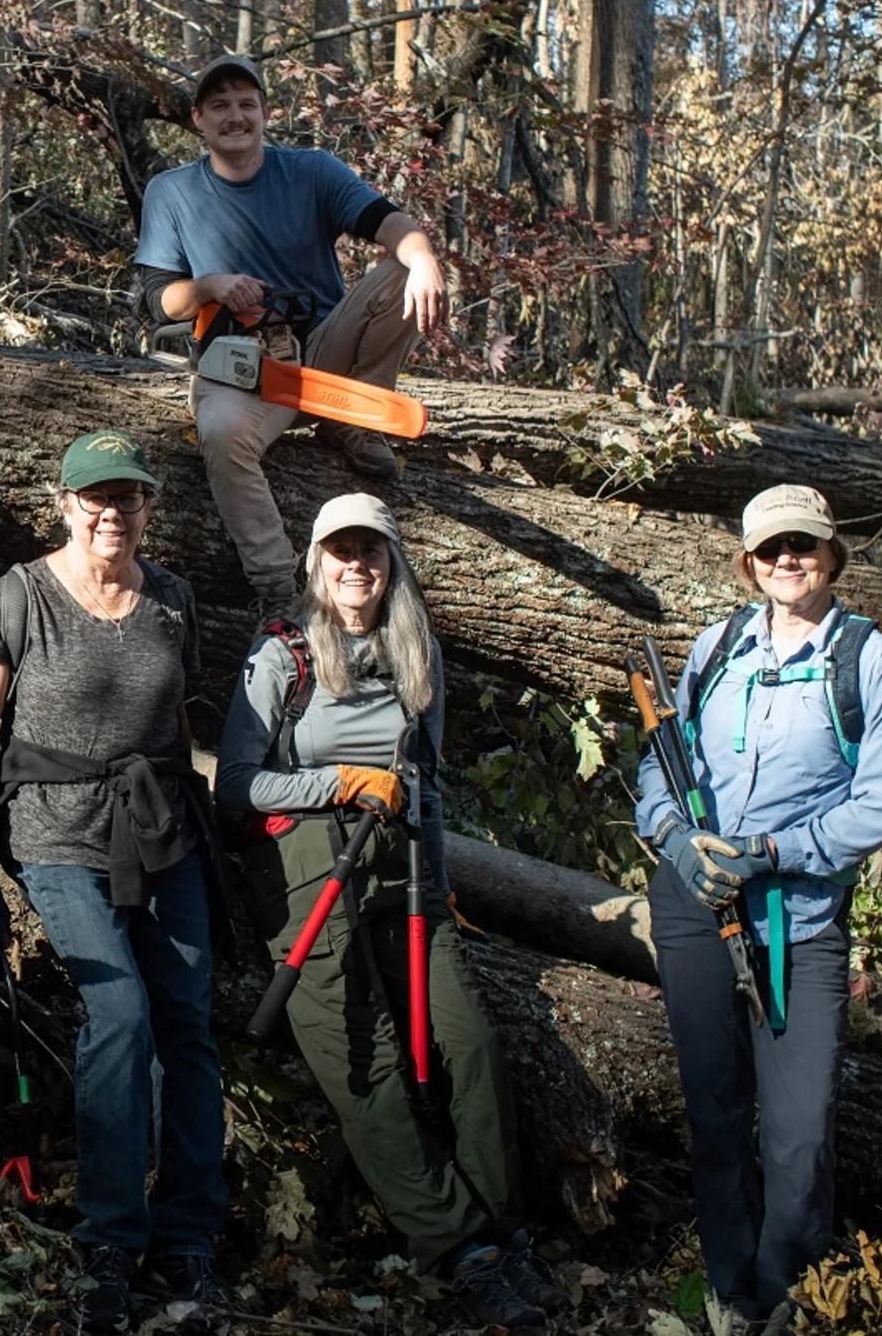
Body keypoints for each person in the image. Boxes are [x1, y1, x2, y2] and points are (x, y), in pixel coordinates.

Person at [216, 492, 567, 1331]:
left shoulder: (419, 655)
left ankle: (499, 1227)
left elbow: (429, 783)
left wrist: (439, 881)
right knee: (362, 1060)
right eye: (339, 550)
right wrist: (335, 783)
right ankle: (459, 1248)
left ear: (392, 561)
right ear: (315, 561)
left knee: (471, 1041)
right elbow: (234, 787)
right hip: (308, 867)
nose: (356, 566)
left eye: (370, 550)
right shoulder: (283, 657)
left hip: (406, 868)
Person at [0, 431, 227, 1336]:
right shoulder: (19, 596)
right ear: (64, 504)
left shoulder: (174, 600)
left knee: (187, 1026)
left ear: (149, 507)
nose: (112, 513)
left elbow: (180, 730)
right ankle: (109, 1241)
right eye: (94, 498)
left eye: (129, 497)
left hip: (162, 838)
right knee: (122, 1015)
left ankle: (186, 1241)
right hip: (57, 836)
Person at [633, 484, 882, 1335]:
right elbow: (659, 768)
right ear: (748, 562)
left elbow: (878, 803)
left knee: (799, 1128)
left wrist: (774, 855)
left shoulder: (869, 659)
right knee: (714, 1111)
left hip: (802, 920)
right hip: (694, 907)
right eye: (770, 548)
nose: (787, 560)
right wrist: (679, 841)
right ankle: (732, 1290)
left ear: (831, 555)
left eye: (803, 545)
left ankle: (793, 1294)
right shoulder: (717, 647)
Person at [134, 54, 448, 615]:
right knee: (224, 434)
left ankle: (351, 419)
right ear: (199, 119)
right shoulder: (172, 191)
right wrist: (210, 285)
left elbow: (387, 220)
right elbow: (159, 301)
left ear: (264, 113)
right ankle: (281, 590)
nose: (236, 117)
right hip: (243, 367)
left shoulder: (311, 171)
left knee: (402, 266)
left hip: (324, 353)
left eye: (246, 105)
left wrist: (422, 256)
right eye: (221, 107)